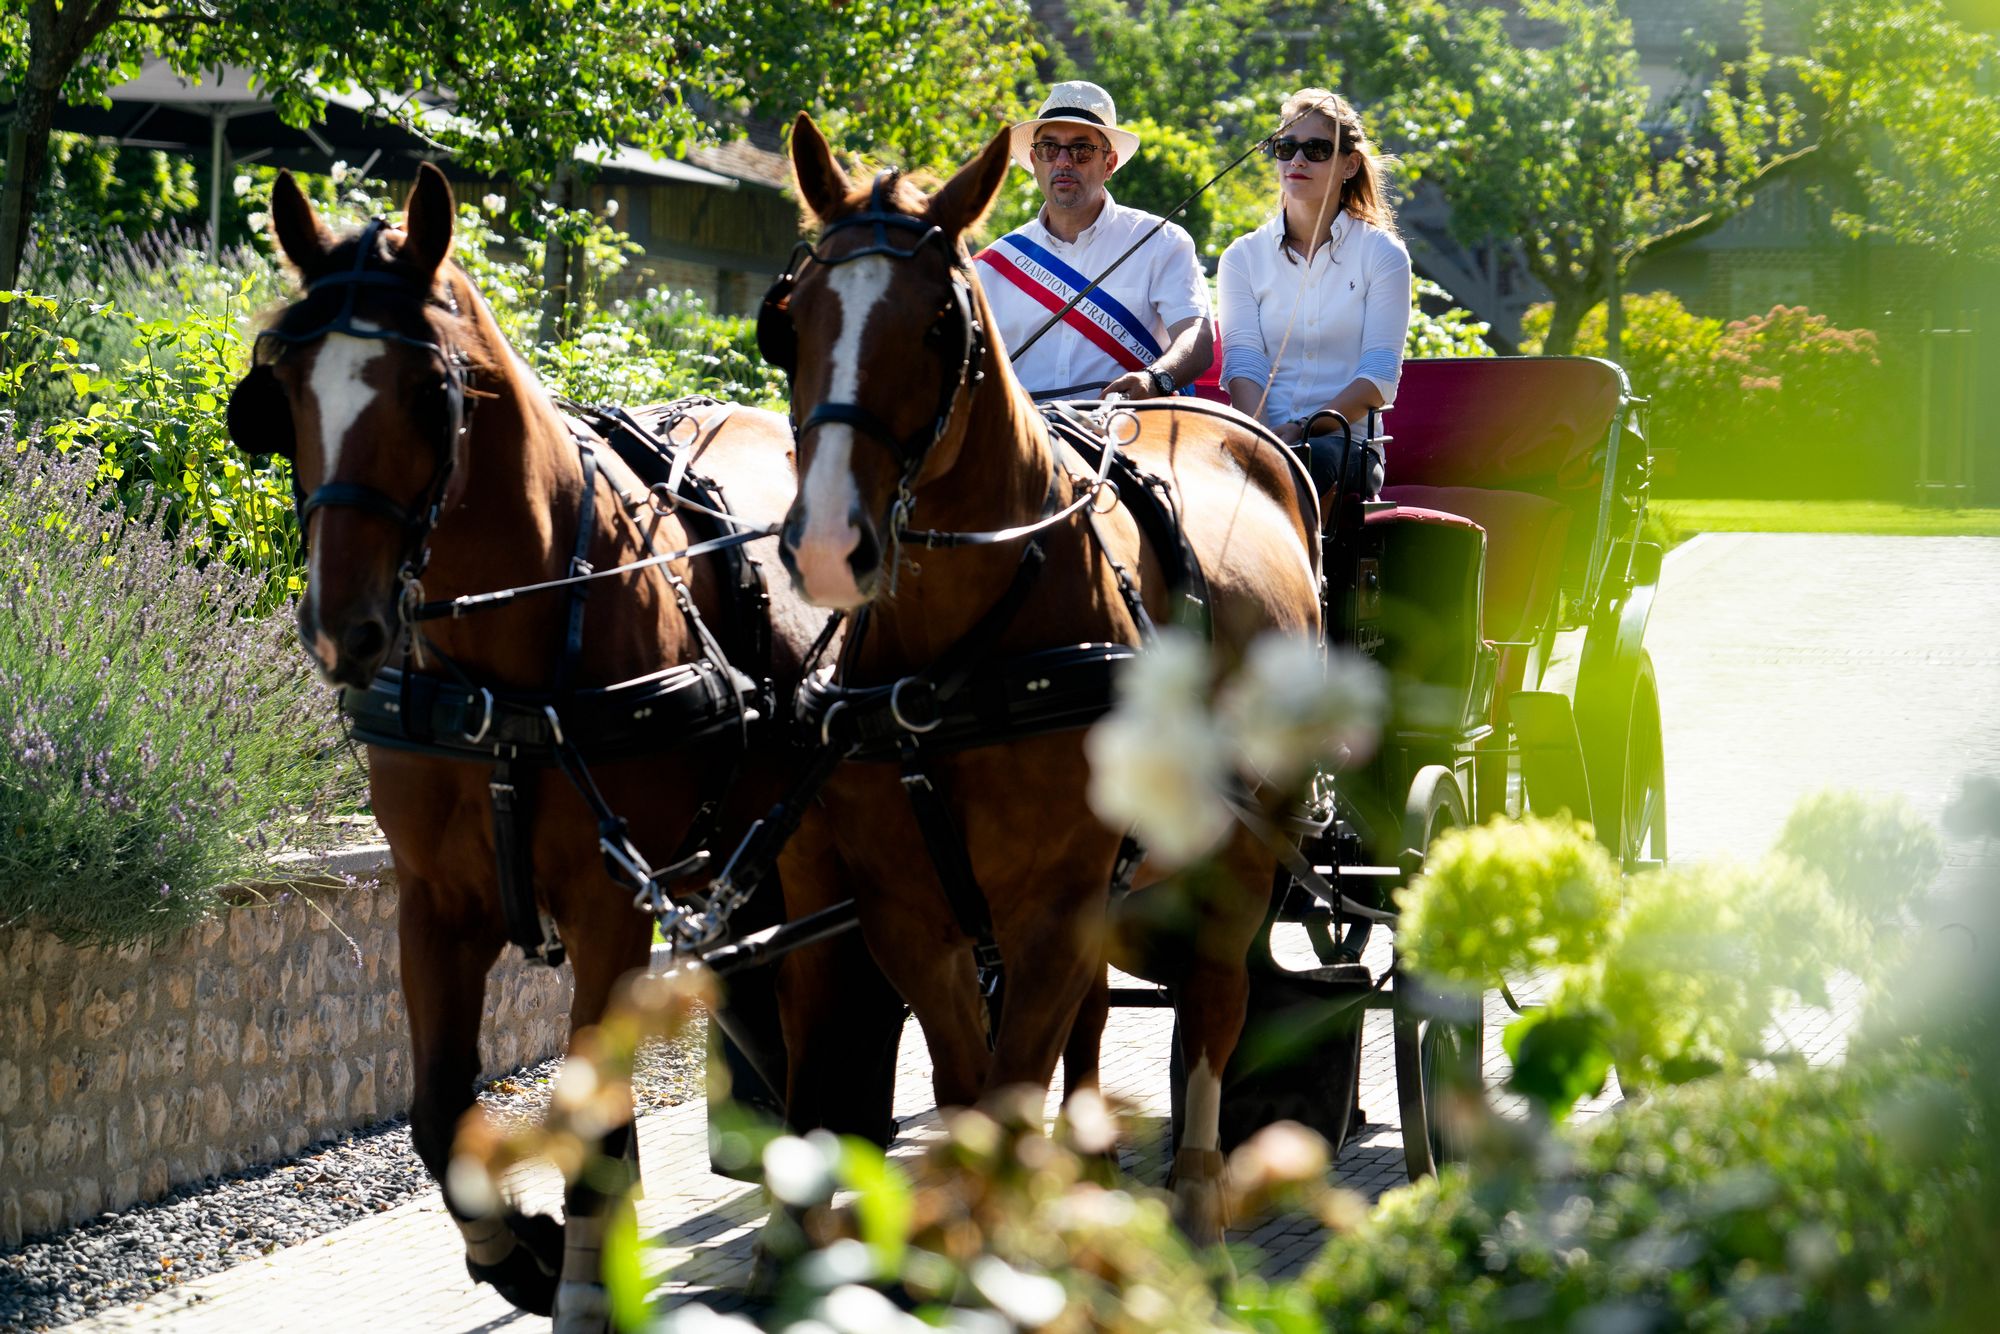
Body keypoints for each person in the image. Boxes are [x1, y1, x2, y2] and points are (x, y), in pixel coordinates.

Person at [1217, 89, 1410, 494]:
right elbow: (1245, 364)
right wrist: (1262, 437)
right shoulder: (1242, 257)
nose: (1297, 160)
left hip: (1345, 446)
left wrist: (1303, 429)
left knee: (1305, 465)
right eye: (1285, 147)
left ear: (1349, 164)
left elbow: (1377, 377)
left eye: (1317, 149)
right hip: (1262, 437)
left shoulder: (1383, 255)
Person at [976, 80, 1213, 401]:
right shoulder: (992, 266)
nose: (1063, 162)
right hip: (1024, 441)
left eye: (1081, 150)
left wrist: (1155, 379)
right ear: (1034, 161)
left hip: (1129, 429)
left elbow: (1195, 338)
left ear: (1110, 163)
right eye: (1049, 148)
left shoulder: (1161, 242)